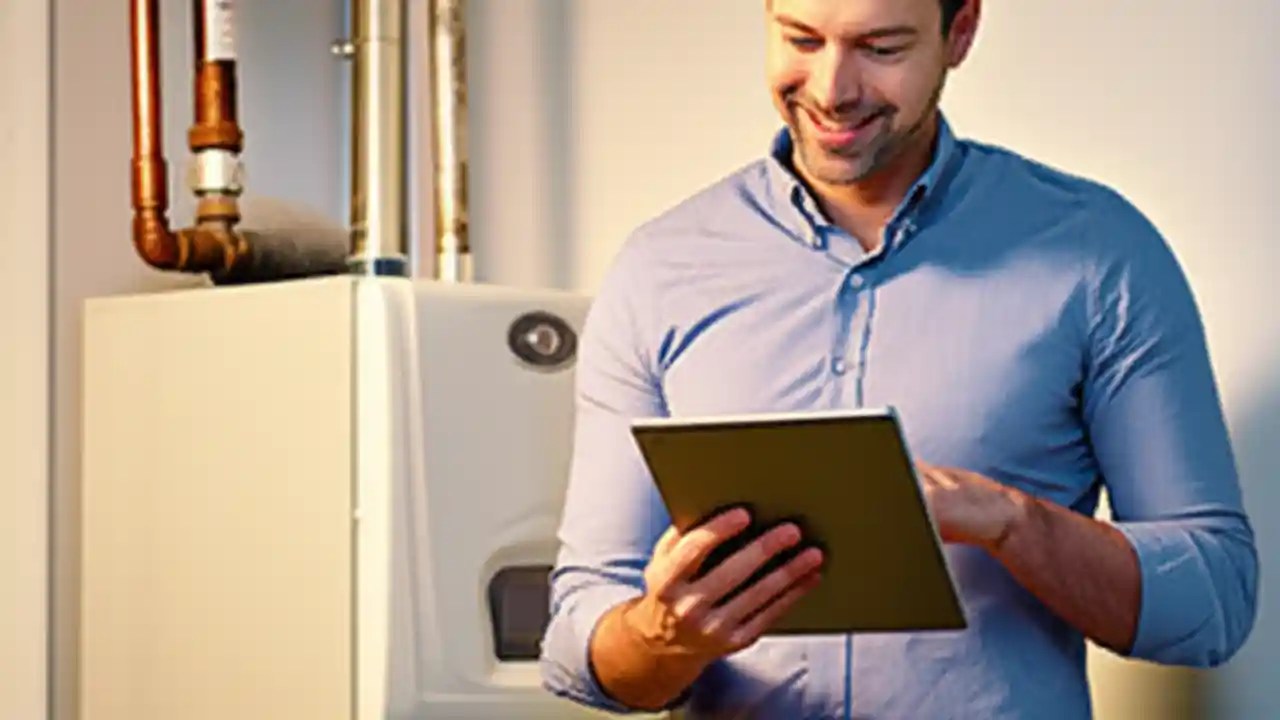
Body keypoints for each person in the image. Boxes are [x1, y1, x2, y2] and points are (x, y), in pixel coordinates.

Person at [538, 0, 1259, 717]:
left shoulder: (1099, 255)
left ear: (961, 32)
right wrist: (666, 636)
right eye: (801, 39)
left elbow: (1214, 602)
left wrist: (1008, 520)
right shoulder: (660, 271)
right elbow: (577, 645)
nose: (832, 90)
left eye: (880, 48)